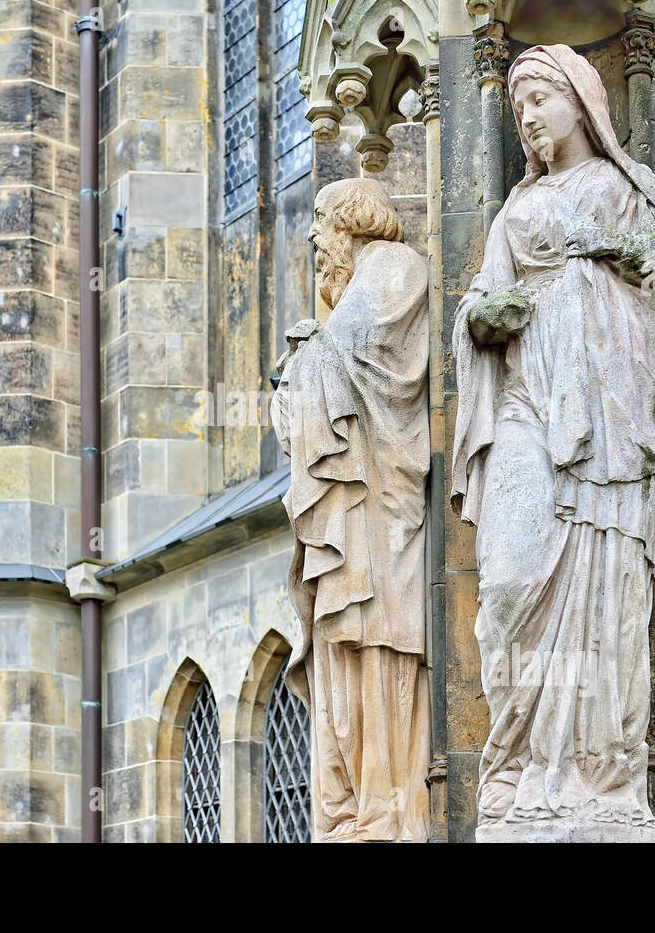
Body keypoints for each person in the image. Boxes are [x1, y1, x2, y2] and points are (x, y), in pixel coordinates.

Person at [449, 45, 655, 842]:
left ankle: (599, 777)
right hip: (528, 404)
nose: (526, 116)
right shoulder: (513, 215)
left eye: (539, 99)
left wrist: (617, 254)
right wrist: (486, 319)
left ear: (582, 101)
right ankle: (519, 766)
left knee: (608, 587)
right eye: (518, 103)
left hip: (610, 416)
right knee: (509, 581)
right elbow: (480, 302)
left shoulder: (630, 191)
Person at [270, 177, 431, 842]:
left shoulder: (395, 267)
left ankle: (388, 805)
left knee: (375, 636)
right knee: (348, 637)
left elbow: (363, 360)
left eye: (320, 241)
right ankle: (352, 808)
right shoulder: (361, 287)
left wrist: (308, 355)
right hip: (349, 499)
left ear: (348, 225)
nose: (319, 256)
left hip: (377, 502)